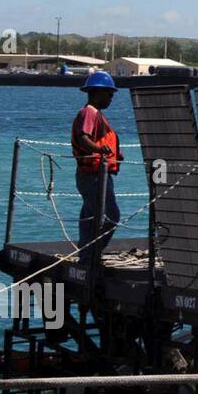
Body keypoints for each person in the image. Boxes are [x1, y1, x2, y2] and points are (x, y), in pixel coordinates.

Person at [71, 71, 123, 259]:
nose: (111, 98)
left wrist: (116, 153)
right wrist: (100, 151)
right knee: (111, 216)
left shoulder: (94, 114)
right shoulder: (89, 113)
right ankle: (90, 256)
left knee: (89, 216)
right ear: (98, 92)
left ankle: (86, 253)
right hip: (93, 175)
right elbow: (83, 138)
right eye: (109, 94)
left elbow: (98, 138)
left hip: (93, 173)